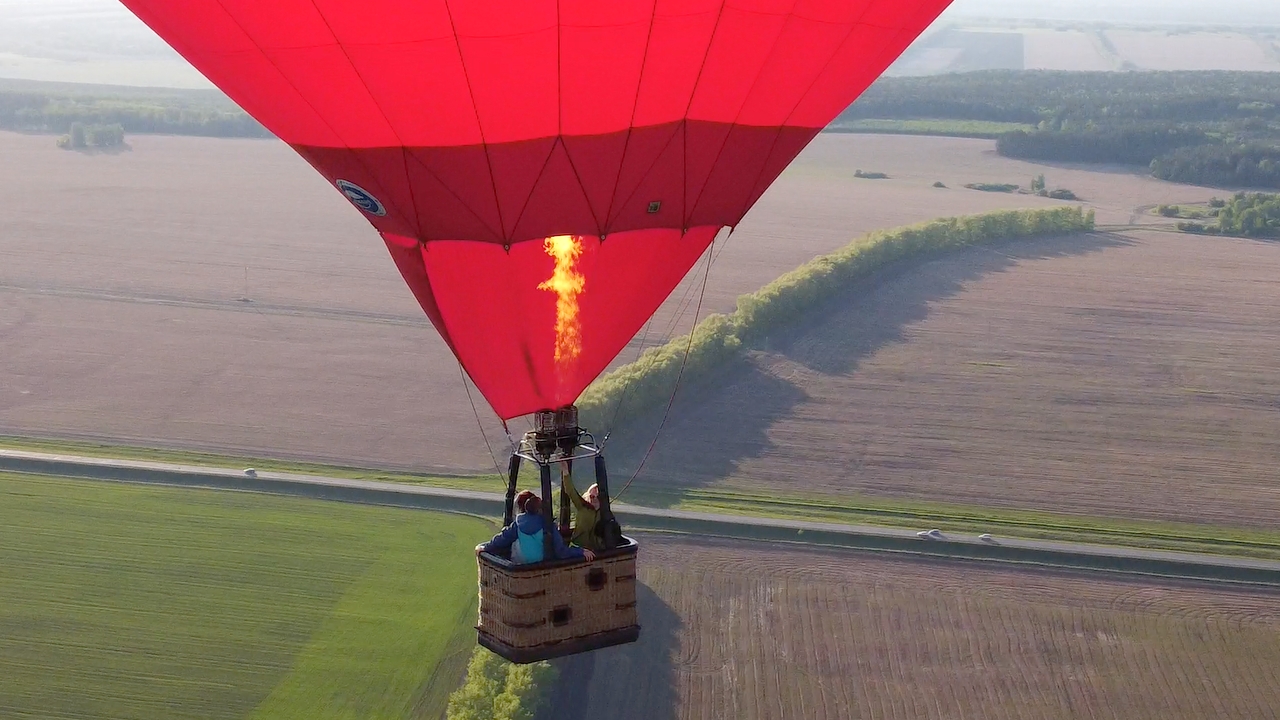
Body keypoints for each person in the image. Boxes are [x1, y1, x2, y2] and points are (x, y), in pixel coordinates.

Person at [476, 490, 595, 564]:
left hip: (519, 563)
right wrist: (581, 551)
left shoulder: (518, 524)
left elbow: (503, 538)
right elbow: (561, 552)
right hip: (540, 565)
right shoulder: (548, 525)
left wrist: (485, 547)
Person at [560, 462, 602, 552]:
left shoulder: (604, 511)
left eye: (597, 497)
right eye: (592, 496)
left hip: (596, 550)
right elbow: (570, 491)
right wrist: (565, 472)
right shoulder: (582, 506)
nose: (594, 499)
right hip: (579, 547)